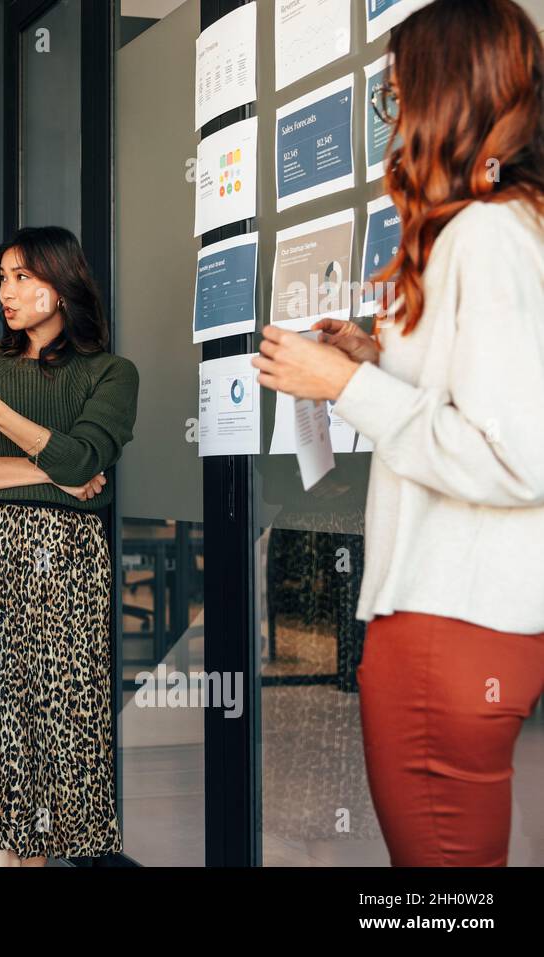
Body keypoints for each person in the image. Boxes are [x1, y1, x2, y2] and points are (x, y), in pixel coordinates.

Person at [253, 0, 544, 866]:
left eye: (394, 94)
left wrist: (347, 385)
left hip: (444, 628)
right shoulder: (509, 228)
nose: (390, 118)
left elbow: (515, 454)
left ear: (446, 96)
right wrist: (374, 361)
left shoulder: (487, 237)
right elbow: (482, 399)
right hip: (475, 626)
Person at [0, 226, 140, 866]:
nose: (7, 292)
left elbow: (88, 455)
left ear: (63, 284)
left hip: (68, 566)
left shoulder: (112, 374)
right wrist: (53, 473)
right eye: (2, 279)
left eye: (23, 277)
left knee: (57, 724)